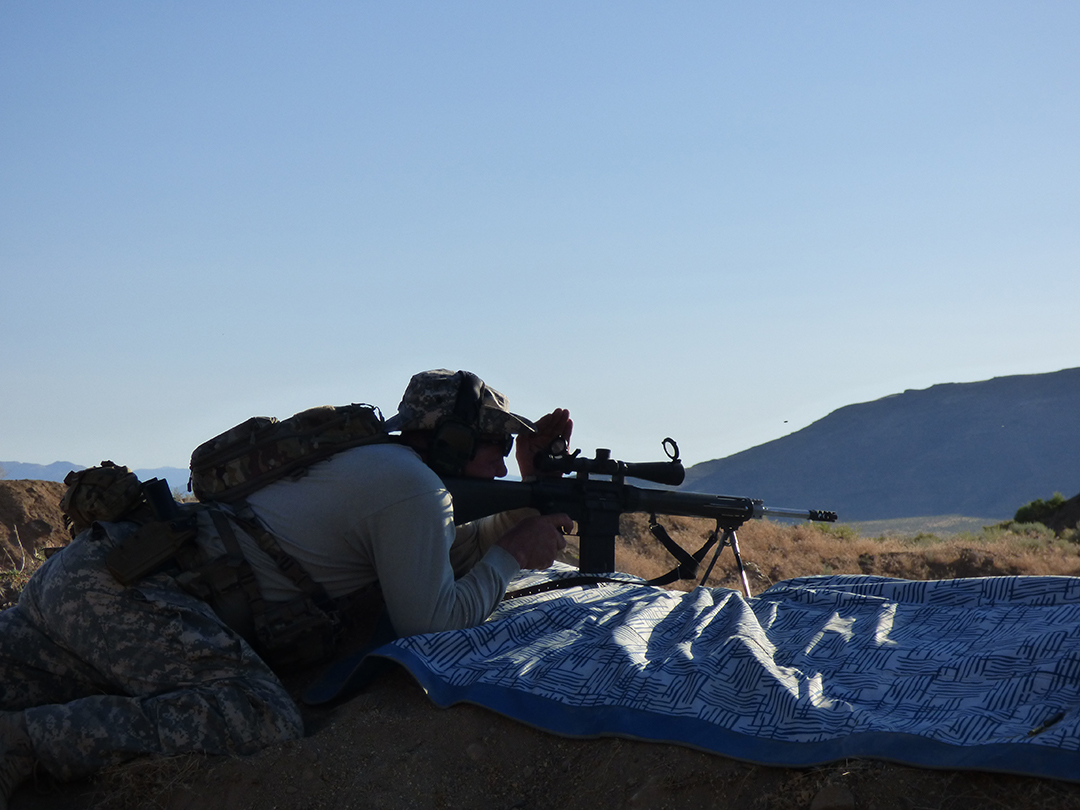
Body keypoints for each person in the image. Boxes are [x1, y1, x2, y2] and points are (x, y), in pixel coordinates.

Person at [0, 369, 572, 808]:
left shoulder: (372, 463)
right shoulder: (413, 488)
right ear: (454, 438)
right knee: (261, 715)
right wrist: (513, 557)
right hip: (131, 594)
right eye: (498, 448)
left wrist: (526, 502)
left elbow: (443, 554)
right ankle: (25, 741)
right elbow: (430, 622)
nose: (503, 466)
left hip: (97, 573)